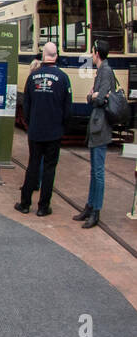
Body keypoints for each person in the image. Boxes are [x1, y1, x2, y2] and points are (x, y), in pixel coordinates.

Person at [14, 41, 70, 217]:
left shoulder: (32, 77)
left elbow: (27, 105)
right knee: (49, 169)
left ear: (43, 55)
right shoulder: (63, 78)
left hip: (36, 131)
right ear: (56, 56)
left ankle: (25, 203)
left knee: (33, 165)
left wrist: (31, 123)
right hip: (54, 131)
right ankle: (43, 207)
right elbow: (67, 108)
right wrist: (62, 127)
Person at [76, 39, 116, 229]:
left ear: (97, 54)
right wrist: (93, 96)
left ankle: (95, 211)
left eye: (92, 52)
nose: (91, 56)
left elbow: (99, 98)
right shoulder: (101, 71)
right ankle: (90, 206)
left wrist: (94, 96)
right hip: (96, 125)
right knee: (94, 170)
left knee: (98, 171)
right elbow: (93, 96)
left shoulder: (106, 71)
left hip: (101, 126)